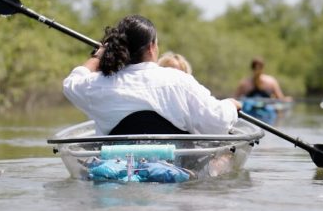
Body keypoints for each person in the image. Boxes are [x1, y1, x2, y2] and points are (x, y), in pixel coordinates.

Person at [63, 15, 240, 136]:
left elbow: (71, 83)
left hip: (119, 170)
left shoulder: (98, 84)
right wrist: (231, 106)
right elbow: (217, 123)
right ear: (151, 47)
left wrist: (98, 55)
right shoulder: (179, 81)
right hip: (176, 171)